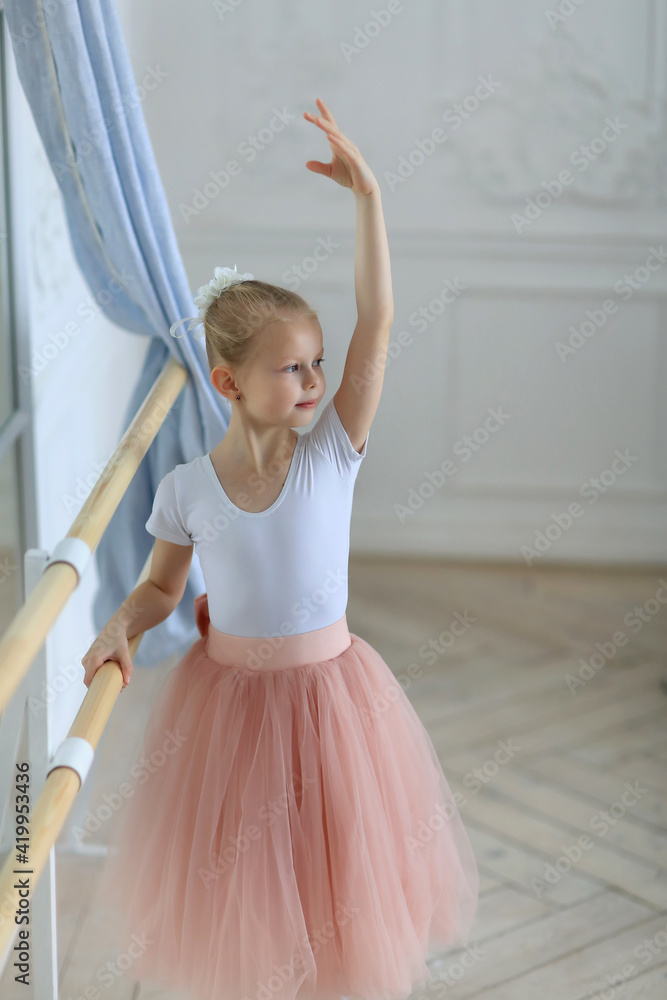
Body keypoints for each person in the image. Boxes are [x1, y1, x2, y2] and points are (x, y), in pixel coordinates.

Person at [82, 98, 479, 1000]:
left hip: (335, 702)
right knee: (248, 886)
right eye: (289, 367)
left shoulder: (333, 450)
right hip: (229, 711)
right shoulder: (186, 488)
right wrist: (119, 626)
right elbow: (158, 591)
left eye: (315, 363)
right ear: (227, 382)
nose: (312, 381)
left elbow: (376, 324)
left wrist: (368, 199)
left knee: (337, 878)